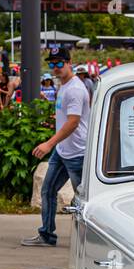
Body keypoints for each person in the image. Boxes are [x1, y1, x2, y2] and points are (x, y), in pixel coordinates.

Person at [23, 45, 90, 247]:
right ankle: (46, 235)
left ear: (70, 63)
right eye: (52, 64)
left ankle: (88, 242)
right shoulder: (64, 86)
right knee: (47, 190)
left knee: (83, 200)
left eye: (60, 63)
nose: (56, 68)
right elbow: (65, 119)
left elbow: (73, 122)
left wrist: (49, 143)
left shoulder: (76, 89)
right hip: (62, 151)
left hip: (77, 153)